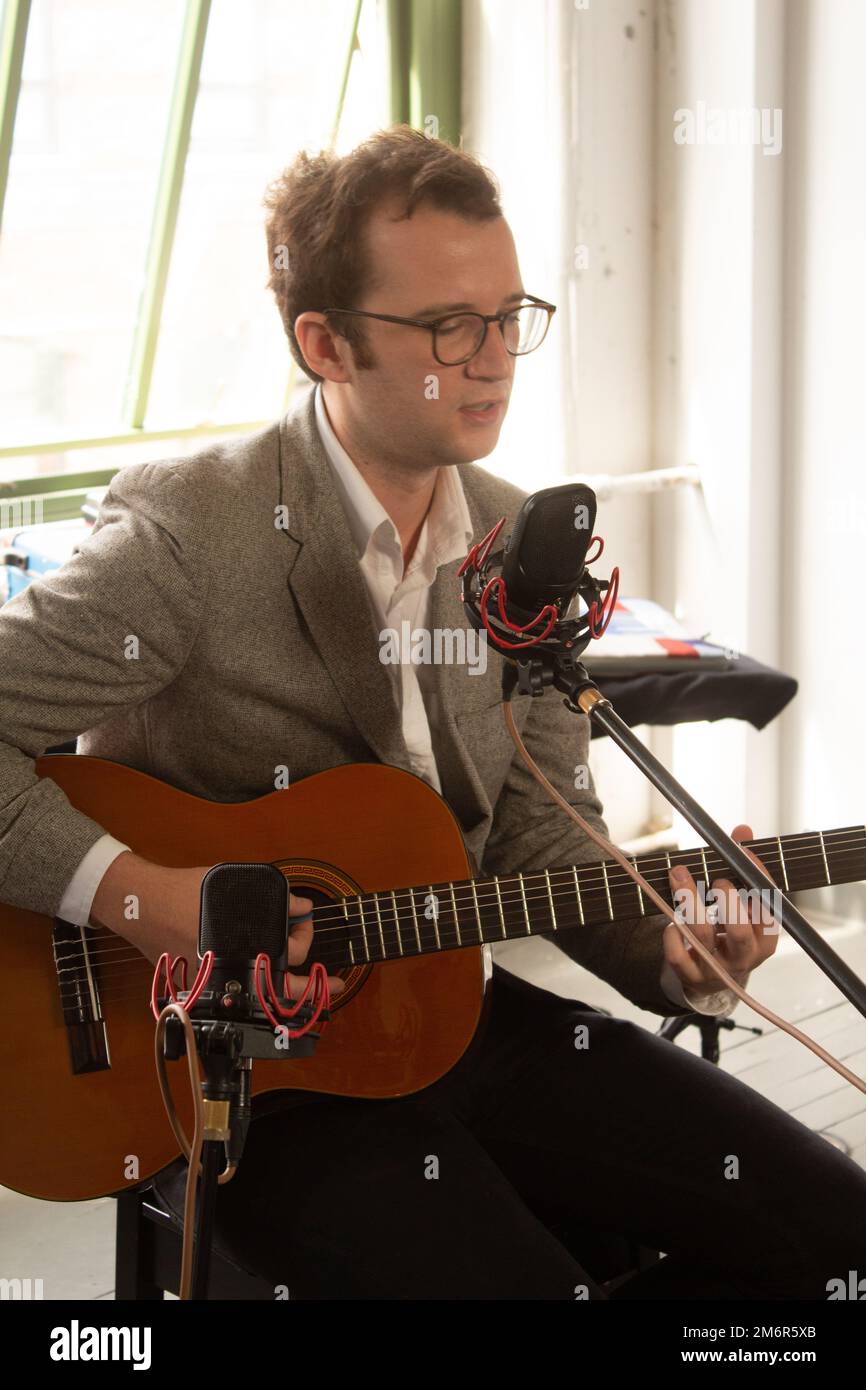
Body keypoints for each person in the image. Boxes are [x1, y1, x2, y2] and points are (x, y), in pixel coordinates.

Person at [1, 126, 865, 1299]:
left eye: (509, 316)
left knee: (834, 1236)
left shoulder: (521, 548)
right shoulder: (193, 530)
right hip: (224, 1062)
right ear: (325, 343)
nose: (493, 357)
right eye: (448, 326)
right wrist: (152, 901)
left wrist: (674, 948)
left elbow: (537, 831)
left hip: (446, 1009)